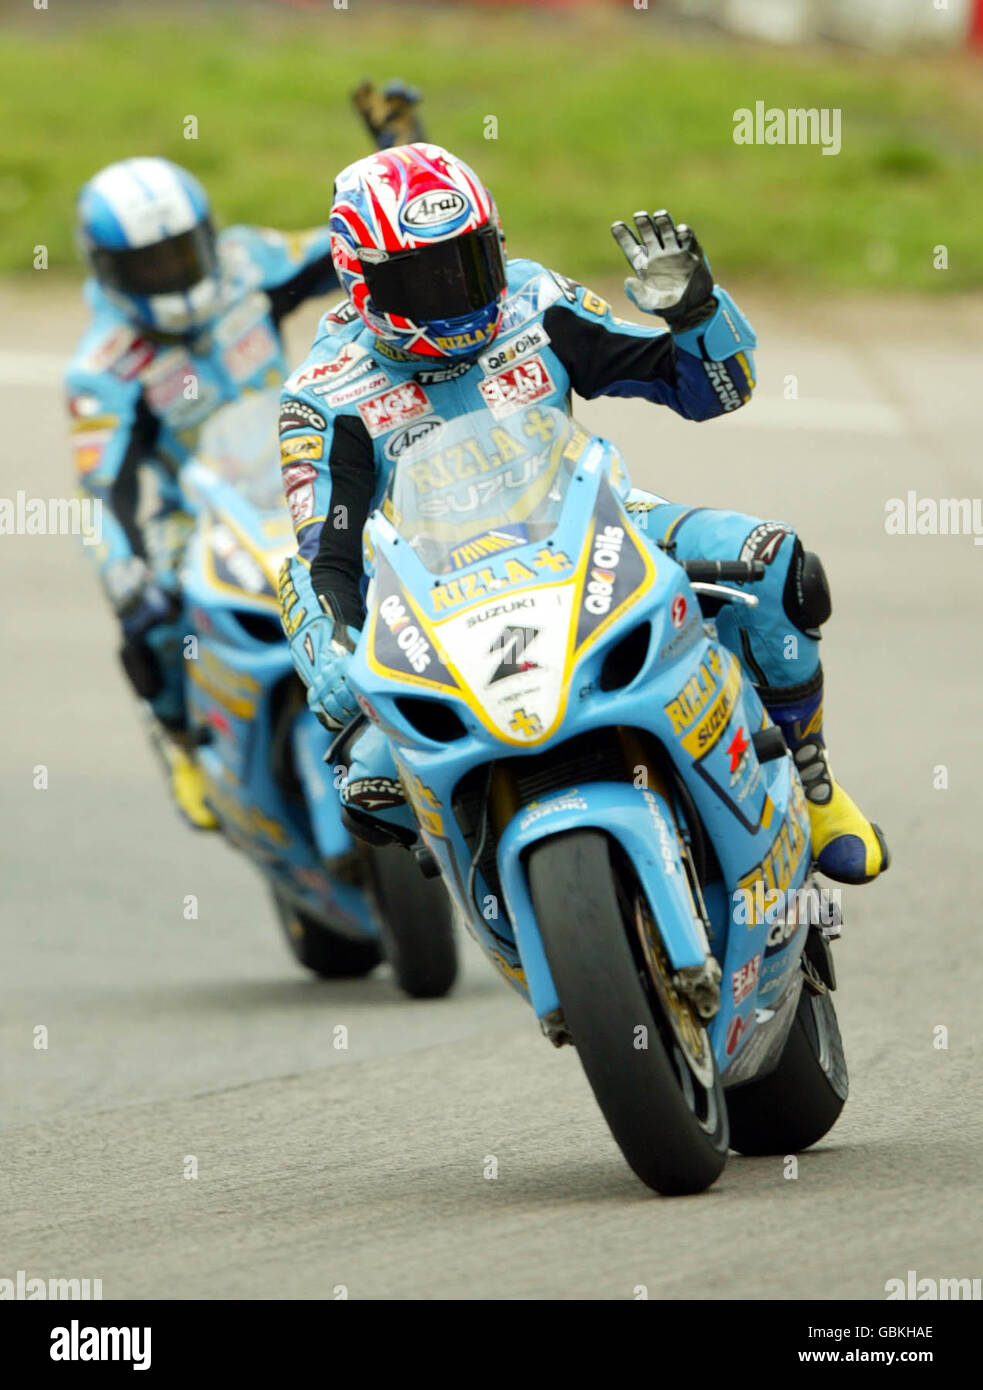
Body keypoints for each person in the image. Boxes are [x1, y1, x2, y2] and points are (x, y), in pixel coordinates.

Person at [277, 143, 888, 886]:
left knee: (774, 562)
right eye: (424, 279)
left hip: (601, 528)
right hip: (438, 592)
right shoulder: (325, 392)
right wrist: (332, 659)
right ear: (360, 279)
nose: (459, 295)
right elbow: (324, 561)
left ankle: (808, 775)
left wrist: (694, 315)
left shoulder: (536, 303)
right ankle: (495, 873)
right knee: (369, 789)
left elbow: (711, 392)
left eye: (471, 264)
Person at [64, 84, 425, 828]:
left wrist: (395, 158)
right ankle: (178, 736)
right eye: (147, 266)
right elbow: (106, 494)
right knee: (145, 611)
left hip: (303, 463)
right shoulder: (100, 368)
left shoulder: (245, 262)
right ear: (106, 269)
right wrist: (125, 573)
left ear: (207, 234)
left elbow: (363, 250)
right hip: (194, 514)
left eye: (180, 252)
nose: (173, 274)